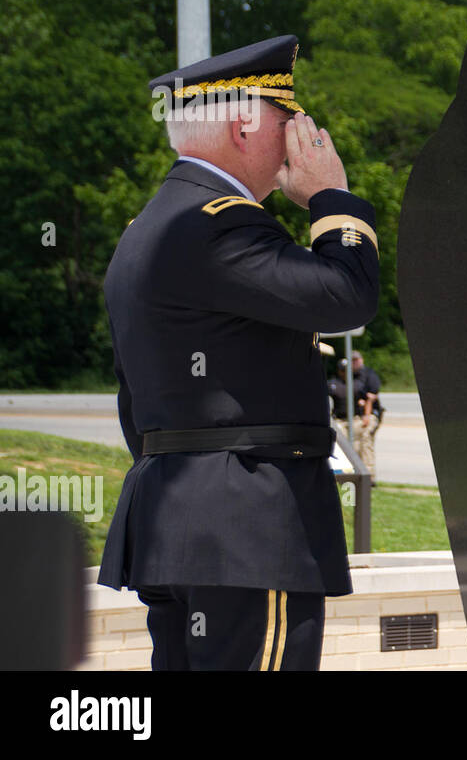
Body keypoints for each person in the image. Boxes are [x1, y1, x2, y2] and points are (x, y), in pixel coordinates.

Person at [97, 35, 380, 670]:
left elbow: (133, 401)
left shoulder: (146, 229)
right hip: (249, 525)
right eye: (287, 119)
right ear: (245, 125)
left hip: (179, 518)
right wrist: (332, 199)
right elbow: (346, 297)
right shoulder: (219, 222)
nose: (298, 136)